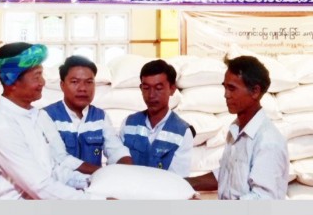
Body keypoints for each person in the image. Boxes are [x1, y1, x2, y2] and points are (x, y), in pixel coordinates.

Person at [0, 42, 106, 199]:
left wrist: (92, 181)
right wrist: (96, 201)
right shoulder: (1, 126)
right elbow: (39, 186)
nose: (42, 82)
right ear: (13, 81)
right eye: (36, 76)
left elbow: (53, 170)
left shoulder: (39, 116)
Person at [185, 55, 289, 199]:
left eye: (232, 89)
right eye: (225, 87)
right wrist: (185, 183)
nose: (226, 95)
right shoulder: (235, 129)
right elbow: (227, 174)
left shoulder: (268, 142)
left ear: (255, 91)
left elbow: (262, 199)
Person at [40, 55, 133, 176]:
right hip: (61, 185)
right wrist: (104, 173)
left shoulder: (100, 117)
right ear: (62, 85)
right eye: (75, 82)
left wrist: (127, 170)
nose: (83, 88)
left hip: (96, 184)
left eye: (89, 82)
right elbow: (61, 158)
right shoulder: (47, 115)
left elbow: (116, 150)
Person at [119, 59, 193, 177]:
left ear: (172, 89)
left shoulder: (182, 132)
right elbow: (118, 167)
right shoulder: (129, 124)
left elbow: (177, 180)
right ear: (141, 89)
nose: (151, 95)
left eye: (158, 88)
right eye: (146, 88)